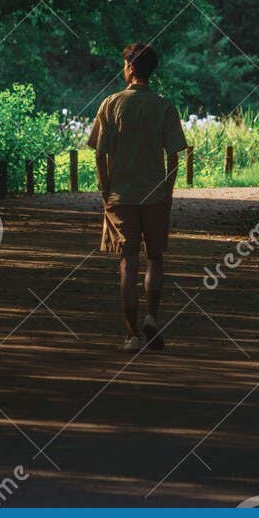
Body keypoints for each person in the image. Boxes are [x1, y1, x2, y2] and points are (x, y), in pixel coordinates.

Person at [87, 43, 189, 353]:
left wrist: (106, 191)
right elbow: (174, 157)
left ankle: (131, 336)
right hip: (155, 196)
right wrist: (167, 193)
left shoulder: (111, 104)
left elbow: (100, 156)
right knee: (155, 259)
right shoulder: (164, 106)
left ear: (130, 67)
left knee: (127, 263)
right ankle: (152, 317)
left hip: (121, 196)